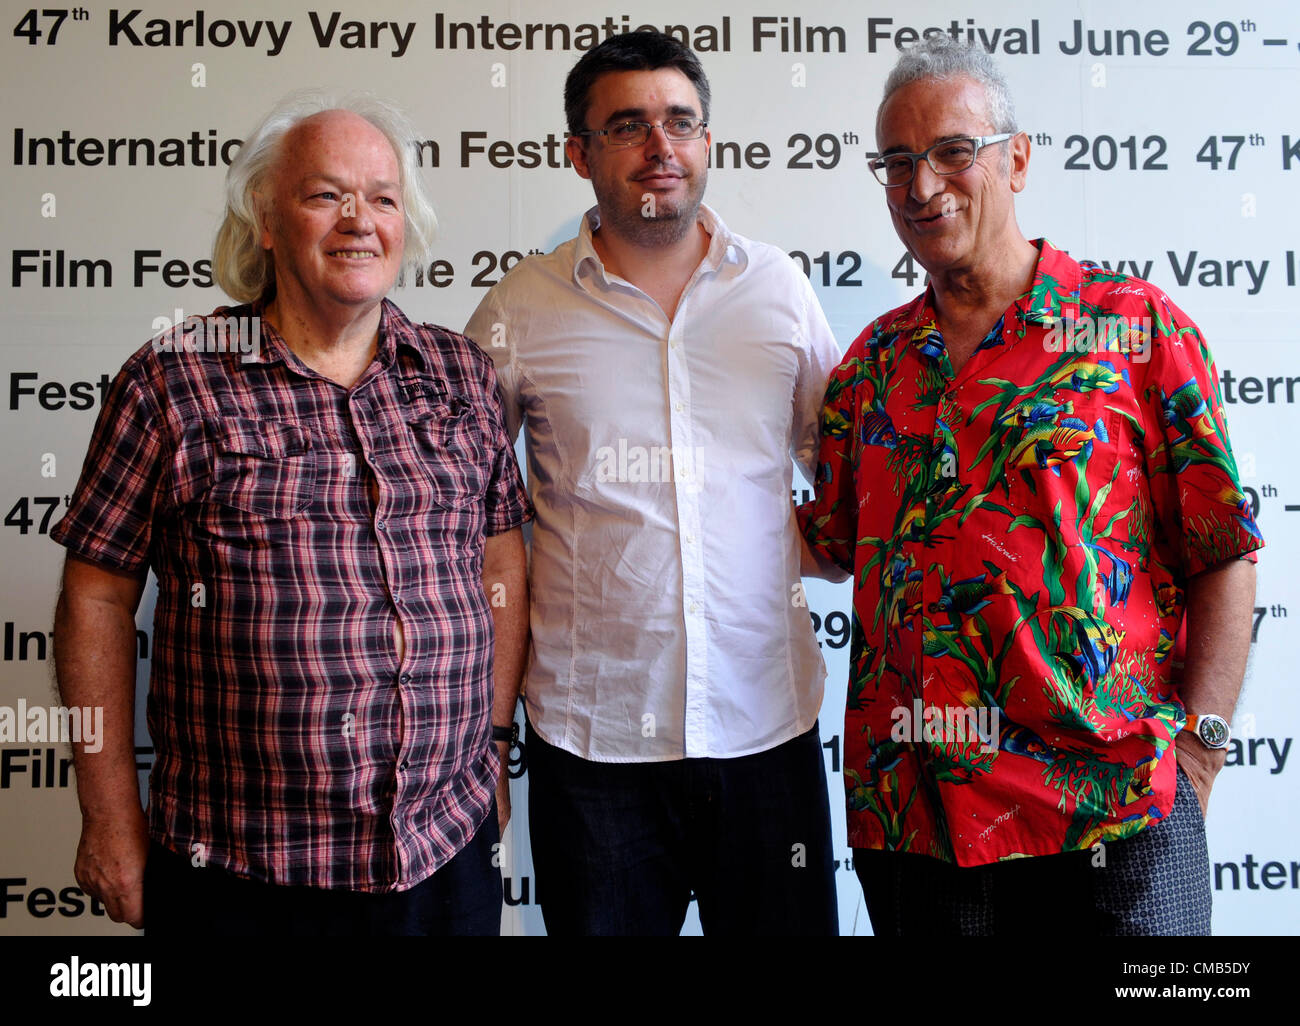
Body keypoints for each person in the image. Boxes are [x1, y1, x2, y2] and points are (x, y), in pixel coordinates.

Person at [797, 37, 1262, 936]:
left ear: (1016, 159)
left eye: (951, 152)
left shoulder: (1136, 331)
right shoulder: (872, 365)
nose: (922, 185)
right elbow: (831, 543)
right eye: (896, 162)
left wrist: (1200, 758)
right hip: (914, 821)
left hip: (1112, 818)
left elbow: (1224, 552)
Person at [50, 92, 532, 936]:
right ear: (266, 221)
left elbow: (499, 563)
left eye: (382, 198)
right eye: (324, 195)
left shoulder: (459, 374)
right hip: (242, 871)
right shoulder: (172, 380)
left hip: (443, 856)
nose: (359, 221)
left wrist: (491, 746)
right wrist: (107, 816)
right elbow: (94, 598)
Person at [465, 30, 845, 935]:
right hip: (593, 748)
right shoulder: (522, 308)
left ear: (707, 140)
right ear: (579, 153)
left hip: (766, 733)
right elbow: (460, 505)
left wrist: (784, 540)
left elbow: (845, 474)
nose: (660, 147)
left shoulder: (778, 291)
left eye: (681, 122)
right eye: (628, 126)